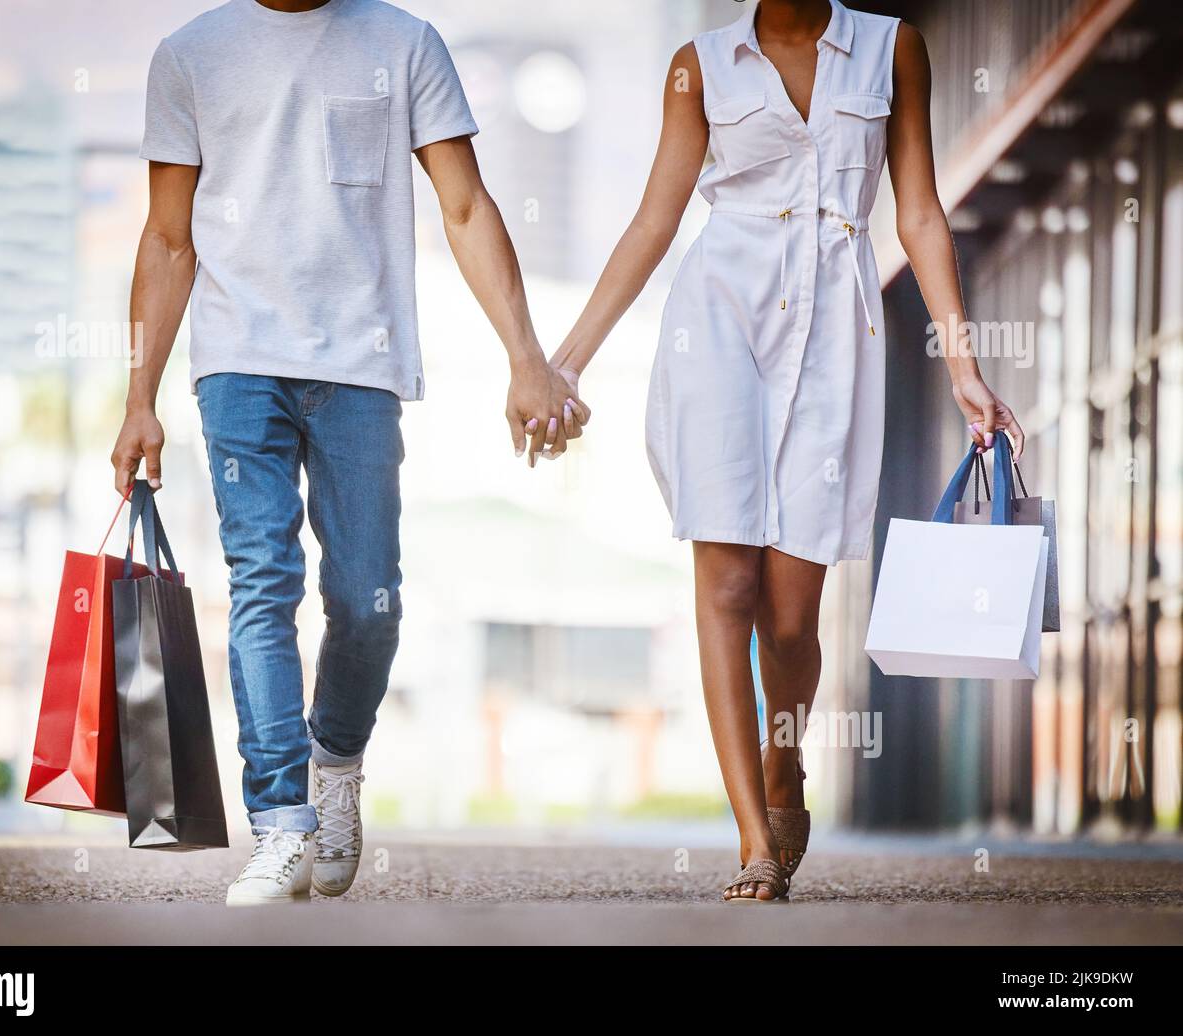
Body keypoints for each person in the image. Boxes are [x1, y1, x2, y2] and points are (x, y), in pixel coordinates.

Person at [110, 0, 587, 905]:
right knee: (262, 582)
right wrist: (139, 399)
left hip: (361, 364)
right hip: (238, 364)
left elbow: (466, 204)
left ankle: (336, 759)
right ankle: (281, 821)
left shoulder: (404, 44)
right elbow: (169, 238)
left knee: (369, 598)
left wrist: (526, 357)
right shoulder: (192, 56)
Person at [549, 0, 1025, 901]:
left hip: (836, 335)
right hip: (718, 326)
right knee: (726, 583)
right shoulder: (700, 63)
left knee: (793, 615)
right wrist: (564, 363)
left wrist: (964, 365)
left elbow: (918, 213)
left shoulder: (895, 49)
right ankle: (752, 841)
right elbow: (656, 221)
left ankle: (784, 762)